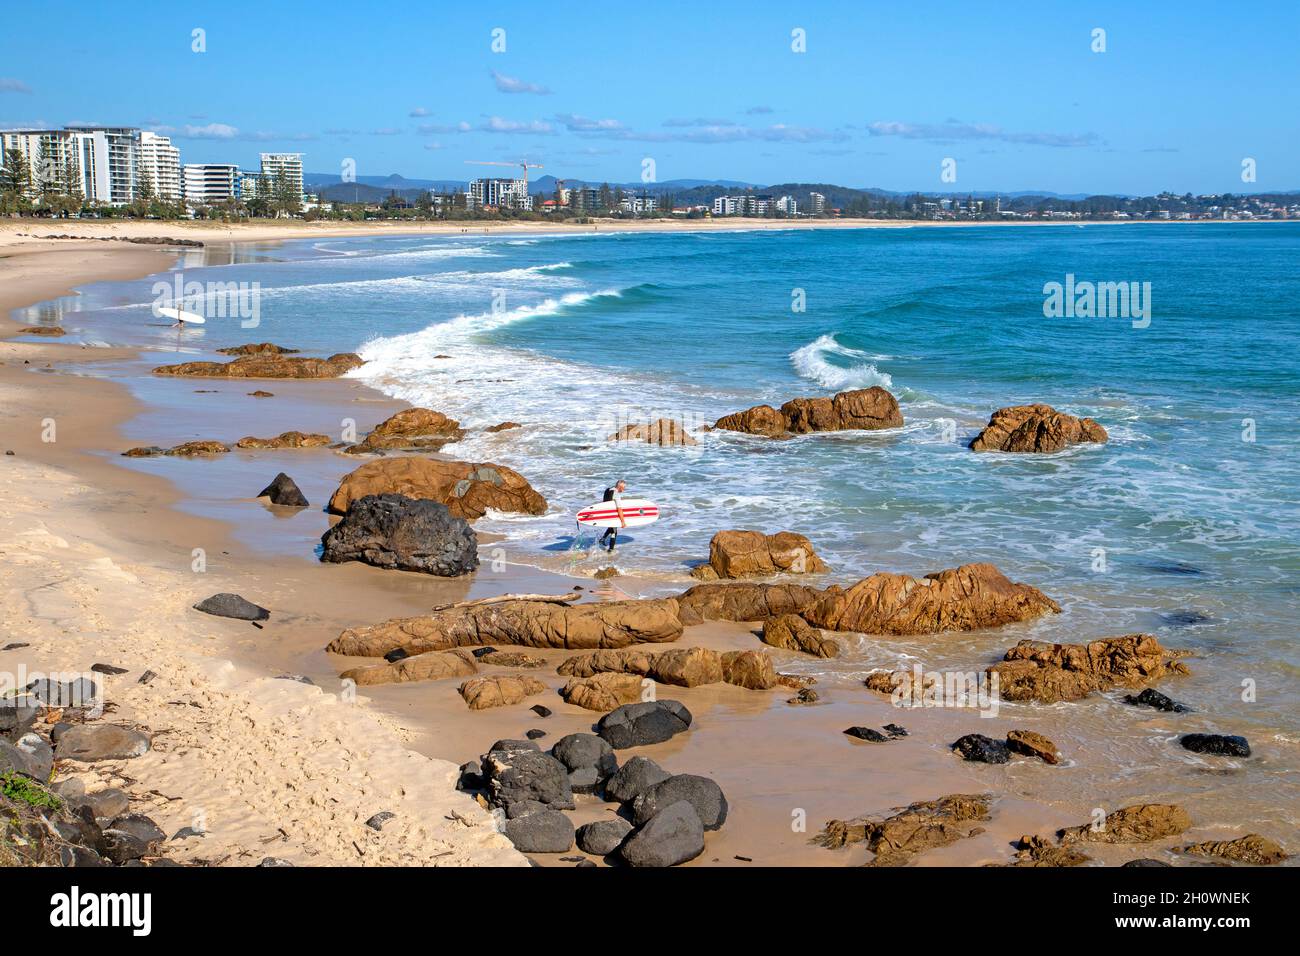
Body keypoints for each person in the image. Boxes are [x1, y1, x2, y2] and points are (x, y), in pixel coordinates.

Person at [599, 479, 627, 552]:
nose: (624, 490)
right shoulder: (616, 494)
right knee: (614, 532)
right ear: (620, 487)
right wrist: (622, 521)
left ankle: (602, 539)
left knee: (611, 527)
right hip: (611, 515)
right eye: (623, 488)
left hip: (605, 513)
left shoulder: (608, 490)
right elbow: (619, 509)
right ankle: (610, 550)